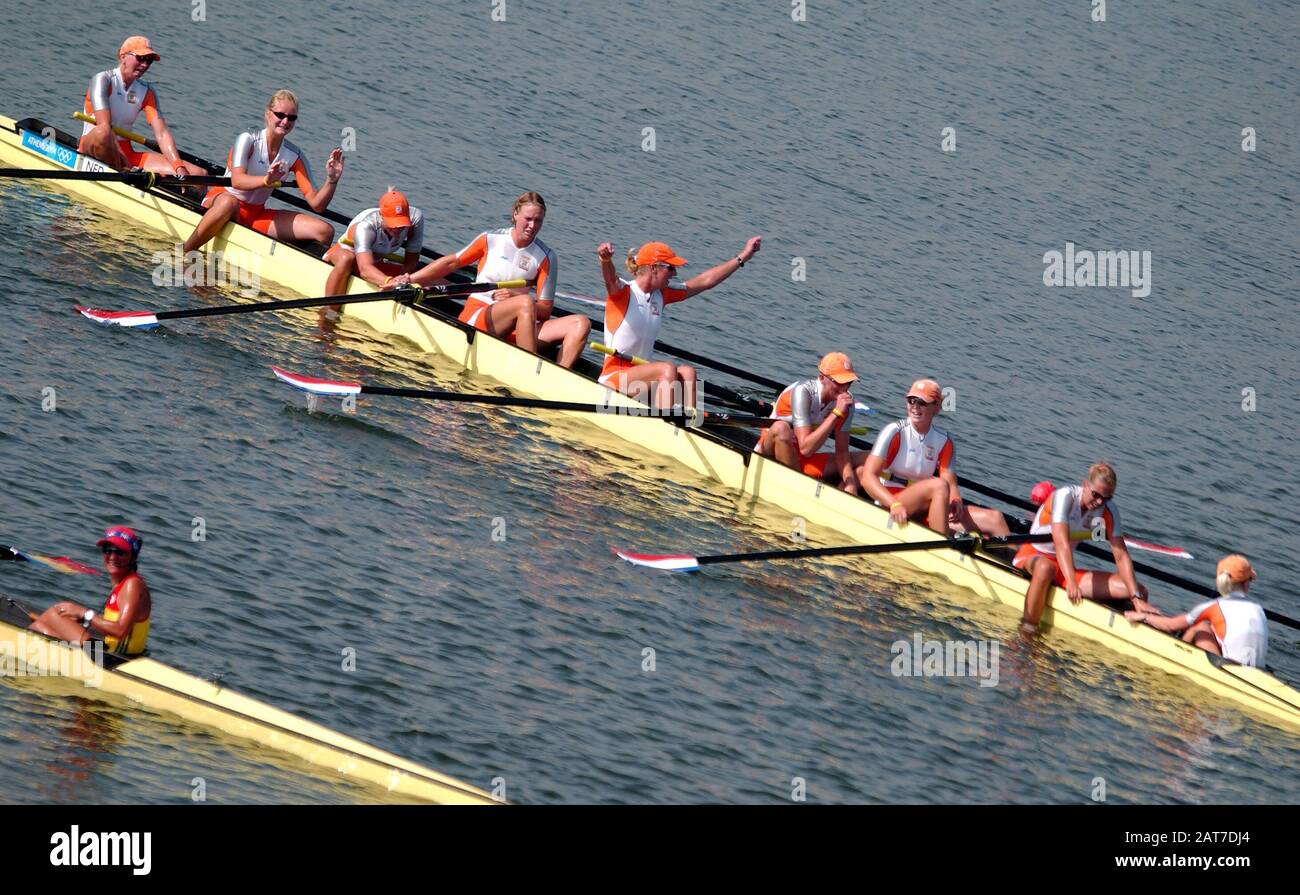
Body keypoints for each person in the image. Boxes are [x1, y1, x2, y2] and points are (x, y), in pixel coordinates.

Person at [409, 192, 589, 368]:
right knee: (525, 302)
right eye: (528, 219)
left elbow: (544, 311)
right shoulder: (491, 239)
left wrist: (513, 298)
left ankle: (559, 376)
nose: (532, 226)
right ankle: (529, 368)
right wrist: (410, 278)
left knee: (581, 323)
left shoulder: (547, 257)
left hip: (522, 323)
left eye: (538, 221)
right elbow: (451, 263)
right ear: (515, 214)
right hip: (479, 314)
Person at [595, 236, 762, 408]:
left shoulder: (662, 295)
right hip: (613, 378)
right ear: (653, 268)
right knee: (666, 369)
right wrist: (605, 259)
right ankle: (663, 421)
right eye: (670, 268)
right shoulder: (622, 292)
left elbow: (706, 281)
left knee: (688, 373)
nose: (675, 273)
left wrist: (743, 256)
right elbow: (610, 278)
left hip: (641, 379)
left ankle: (688, 424)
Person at [182, 89, 343, 254]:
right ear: (267, 113)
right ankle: (186, 251)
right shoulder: (248, 140)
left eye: (291, 118)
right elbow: (237, 181)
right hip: (221, 200)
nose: (285, 121)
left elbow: (317, 204)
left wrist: (332, 180)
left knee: (325, 231)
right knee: (229, 203)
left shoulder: (295, 156)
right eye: (280, 115)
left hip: (255, 214)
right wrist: (266, 180)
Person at [1013, 462, 1158, 633]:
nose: (1099, 502)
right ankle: (1027, 631)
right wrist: (1072, 583)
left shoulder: (1109, 511)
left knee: (1138, 589)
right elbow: (1061, 544)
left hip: (1064, 567)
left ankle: (1133, 627)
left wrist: (1136, 598)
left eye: (1106, 498)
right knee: (1046, 568)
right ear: (1085, 485)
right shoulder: (1065, 497)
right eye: (1096, 494)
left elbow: (1121, 556)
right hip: (1033, 555)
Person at [860, 379, 1010, 537]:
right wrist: (894, 504)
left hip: (928, 503)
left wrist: (956, 500)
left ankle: (1018, 561)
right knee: (938, 485)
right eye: (911, 400)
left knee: (995, 518)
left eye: (922, 402)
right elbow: (867, 478)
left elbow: (951, 484)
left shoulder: (945, 440)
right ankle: (943, 546)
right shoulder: (895, 431)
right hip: (893, 500)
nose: (915, 407)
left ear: (937, 407)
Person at [78, 36, 205, 177]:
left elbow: (162, 134)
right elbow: (104, 127)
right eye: (140, 58)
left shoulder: (146, 92)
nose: (145, 65)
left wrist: (178, 166)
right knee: (103, 132)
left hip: (126, 152)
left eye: (149, 61)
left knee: (199, 174)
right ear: (123, 56)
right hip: (92, 145)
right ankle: (124, 171)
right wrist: (127, 166)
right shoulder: (103, 80)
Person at [755, 352, 872, 494]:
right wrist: (836, 414)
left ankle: (843, 492)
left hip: (802, 460)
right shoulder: (803, 392)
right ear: (822, 378)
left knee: (871, 457)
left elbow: (842, 452)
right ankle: (799, 491)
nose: (844, 389)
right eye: (839, 382)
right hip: (771, 449)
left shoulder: (847, 403)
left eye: (849, 383)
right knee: (781, 428)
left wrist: (850, 483)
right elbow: (806, 448)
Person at [1125, 555, 1269, 667]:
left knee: (1200, 626)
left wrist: (1143, 616)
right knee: (1212, 627)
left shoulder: (1213, 606)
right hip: (1256, 673)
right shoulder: (1259, 609)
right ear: (1245, 584)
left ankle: (1173, 657)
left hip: (1229, 670)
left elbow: (1170, 625)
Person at [29, 527, 151, 656]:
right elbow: (115, 625)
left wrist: (83, 613)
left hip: (115, 661)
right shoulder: (124, 583)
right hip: (108, 652)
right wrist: (83, 619)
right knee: (50, 619)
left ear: (132, 557)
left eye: (119, 552)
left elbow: (120, 631)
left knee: (47, 620)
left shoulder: (132, 585)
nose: (112, 556)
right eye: (107, 550)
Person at [324, 188, 424, 295]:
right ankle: (329, 310)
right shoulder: (366, 225)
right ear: (382, 215)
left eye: (401, 223)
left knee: (437, 281)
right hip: (344, 257)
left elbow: (411, 264)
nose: (397, 228)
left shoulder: (415, 218)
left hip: (374, 264)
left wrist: (403, 281)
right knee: (347, 259)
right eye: (393, 223)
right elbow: (365, 270)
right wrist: (390, 282)